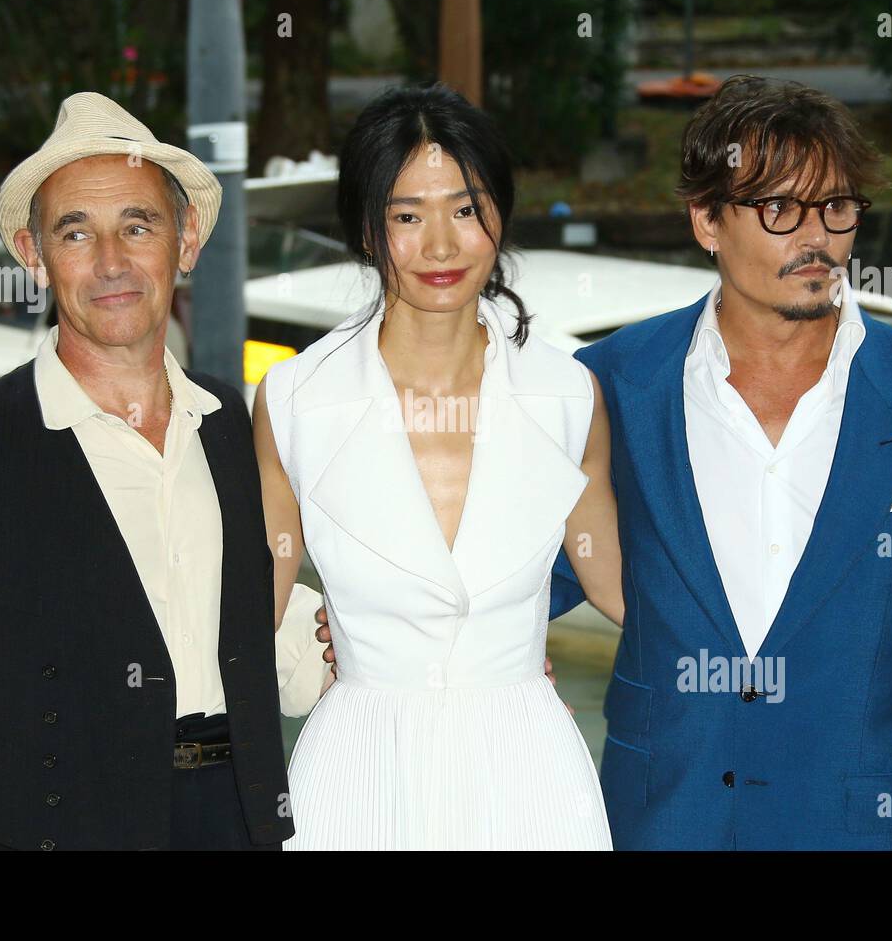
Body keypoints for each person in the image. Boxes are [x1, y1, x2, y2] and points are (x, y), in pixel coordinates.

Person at [0, 92, 330, 851]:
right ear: (34, 256)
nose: (112, 261)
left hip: (238, 824)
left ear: (187, 240)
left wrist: (458, 653)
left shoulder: (229, 427)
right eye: (76, 232)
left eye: (138, 225)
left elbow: (267, 633)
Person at [551, 76, 892, 849]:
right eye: (778, 210)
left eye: (836, 207)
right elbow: (525, 577)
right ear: (706, 220)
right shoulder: (613, 385)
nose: (817, 240)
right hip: (661, 824)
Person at [253, 83, 623, 849]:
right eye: (407, 216)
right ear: (365, 229)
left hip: (528, 765)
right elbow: (248, 603)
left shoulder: (567, 393)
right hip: (358, 765)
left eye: (466, 208)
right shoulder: (294, 400)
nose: (443, 246)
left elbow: (621, 587)